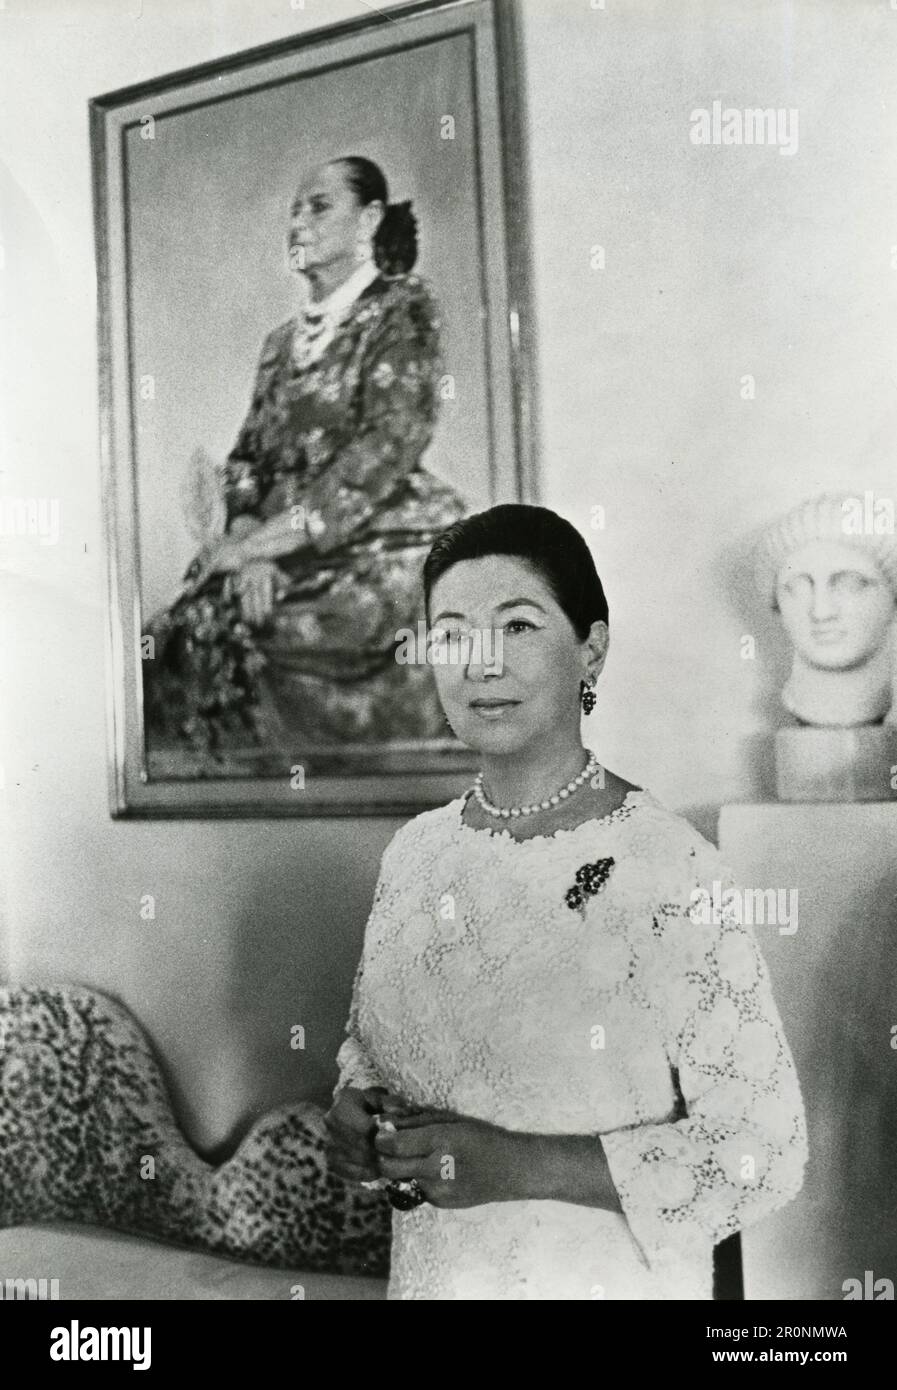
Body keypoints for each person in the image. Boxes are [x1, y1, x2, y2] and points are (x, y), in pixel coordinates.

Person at [324, 503, 808, 1300]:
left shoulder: (668, 868)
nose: (482, 663)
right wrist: (355, 1111)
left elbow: (762, 1150)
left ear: (591, 647)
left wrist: (520, 1166)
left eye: (517, 626)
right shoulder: (415, 854)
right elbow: (372, 1052)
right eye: (452, 634)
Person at [145, 156, 466, 757]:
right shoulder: (278, 345)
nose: (298, 222)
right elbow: (248, 461)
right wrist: (245, 548)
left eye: (318, 206)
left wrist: (267, 542)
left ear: (369, 218)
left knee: (287, 635)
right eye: (294, 209)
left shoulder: (403, 310)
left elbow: (385, 447)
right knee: (170, 639)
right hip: (271, 545)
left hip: (375, 532)